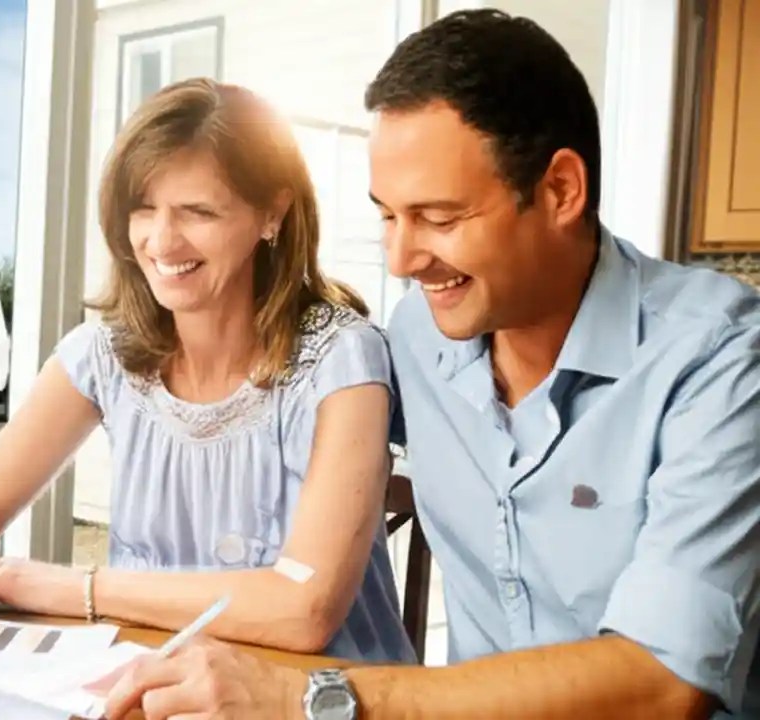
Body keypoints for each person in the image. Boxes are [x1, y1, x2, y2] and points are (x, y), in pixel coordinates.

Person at [102, 9, 760, 720]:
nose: (402, 260)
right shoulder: (417, 337)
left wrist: (311, 696)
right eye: (388, 216)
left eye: (440, 219)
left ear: (561, 191)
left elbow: (661, 684)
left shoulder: (720, 362)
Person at [0, 78, 416, 670]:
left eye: (198, 211)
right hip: (157, 684)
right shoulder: (103, 354)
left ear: (273, 213)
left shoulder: (344, 357)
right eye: (143, 209)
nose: (161, 241)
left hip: (323, 696)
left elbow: (303, 611)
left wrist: (64, 588)